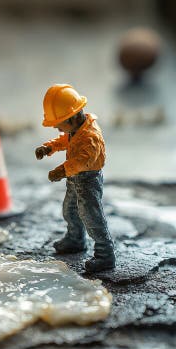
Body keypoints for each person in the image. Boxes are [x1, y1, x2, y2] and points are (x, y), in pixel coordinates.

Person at [35, 84, 115, 272]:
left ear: (71, 118)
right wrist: (49, 147)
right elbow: (65, 140)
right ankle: (76, 239)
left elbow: (83, 161)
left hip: (88, 180)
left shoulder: (90, 137)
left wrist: (62, 170)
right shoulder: (76, 129)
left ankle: (105, 255)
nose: (56, 127)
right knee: (70, 210)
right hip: (75, 179)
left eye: (58, 123)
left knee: (92, 217)